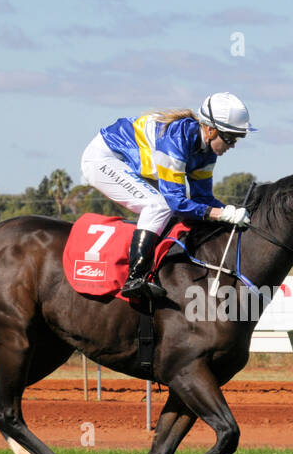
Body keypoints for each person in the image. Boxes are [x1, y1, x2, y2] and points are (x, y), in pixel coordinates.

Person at [80, 91, 257, 301]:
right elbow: (176, 203)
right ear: (210, 130)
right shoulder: (176, 139)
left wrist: (232, 213)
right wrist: (221, 214)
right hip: (104, 159)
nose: (233, 145)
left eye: (238, 138)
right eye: (229, 137)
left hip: (131, 164)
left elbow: (203, 200)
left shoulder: (206, 152)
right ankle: (135, 278)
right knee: (159, 206)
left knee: (171, 214)